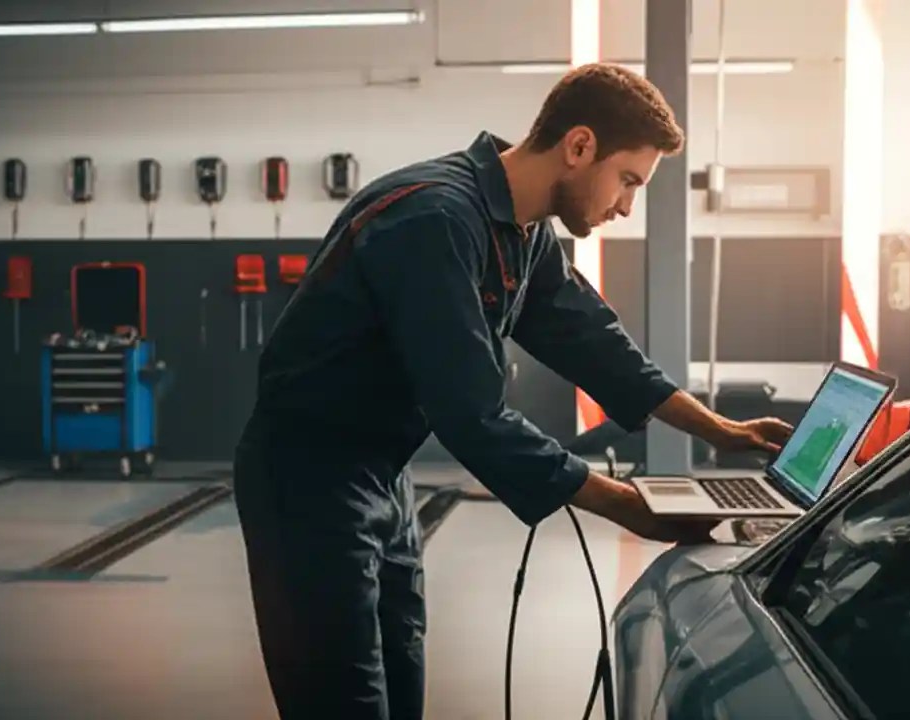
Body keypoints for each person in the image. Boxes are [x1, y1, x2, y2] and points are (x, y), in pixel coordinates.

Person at [232, 62, 794, 720]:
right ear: (579, 146)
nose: (625, 205)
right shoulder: (434, 219)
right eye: (628, 181)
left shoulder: (523, 233)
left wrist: (719, 430)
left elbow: (593, 339)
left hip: (383, 474)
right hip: (308, 479)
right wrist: (625, 506)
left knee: (401, 682)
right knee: (345, 702)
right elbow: (471, 413)